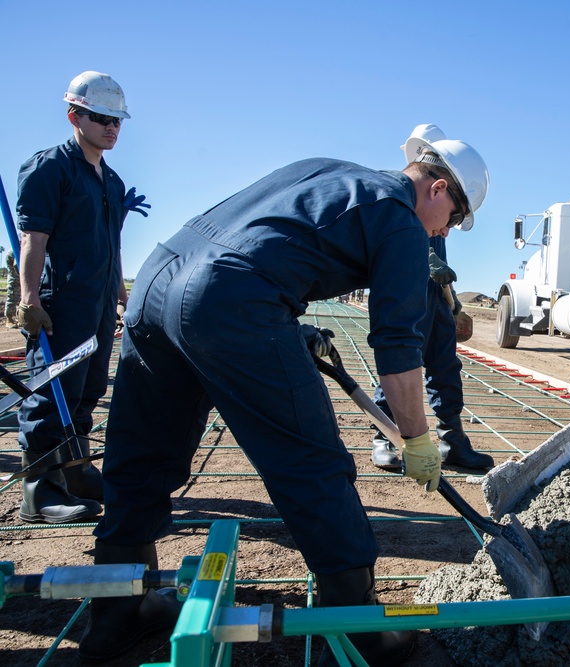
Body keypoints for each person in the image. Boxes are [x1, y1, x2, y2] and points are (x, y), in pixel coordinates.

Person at [78, 136, 489, 666]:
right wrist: (416, 439)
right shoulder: (403, 223)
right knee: (311, 460)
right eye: (453, 219)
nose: (444, 232)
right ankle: (360, 626)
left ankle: (116, 613)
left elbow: (262, 244)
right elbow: (397, 348)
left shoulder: (329, 170)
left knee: (142, 454)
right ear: (437, 188)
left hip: (158, 280)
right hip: (230, 297)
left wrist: (282, 321)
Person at [14, 71, 147, 525]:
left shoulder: (110, 181)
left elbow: (112, 247)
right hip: (62, 303)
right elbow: (33, 237)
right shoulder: (49, 167)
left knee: (88, 390)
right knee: (52, 394)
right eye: (100, 117)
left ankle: (76, 473)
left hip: (96, 304)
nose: (111, 127)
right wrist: (29, 298)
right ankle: (39, 491)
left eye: (117, 120)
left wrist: (122, 296)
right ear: (74, 115)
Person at [371, 125, 493, 472]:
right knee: (402, 357)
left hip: (434, 293)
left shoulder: (439, 201)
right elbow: (405, 240)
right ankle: (384, 437)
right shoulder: (407, 197)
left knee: (444, 364)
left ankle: (452, 439)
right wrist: (428, 262)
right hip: (406, 285)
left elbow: (438, 247)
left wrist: (453, 302)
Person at [4, 250, 20, 328]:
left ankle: (20, 318)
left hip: (20, 278)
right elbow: (16, 265)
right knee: (12, 297)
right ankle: (9, 319)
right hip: (15, 278)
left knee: (21, 299)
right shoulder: (14, 250)